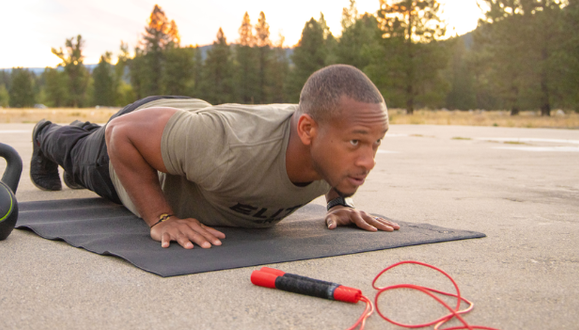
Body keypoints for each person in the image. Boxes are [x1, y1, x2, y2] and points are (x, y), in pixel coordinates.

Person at [30, 64, 399, 249]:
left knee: (93, 157)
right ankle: (45, 133)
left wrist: (338, 203)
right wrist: (162, 218)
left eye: (376, 143)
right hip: (144, 133)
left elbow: (333, 157)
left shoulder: (327, 142)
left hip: (187, 130)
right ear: (306, 132)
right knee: (83, 155)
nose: (368, 161)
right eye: (356, 143)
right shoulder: (228, 147)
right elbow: (122, 134)